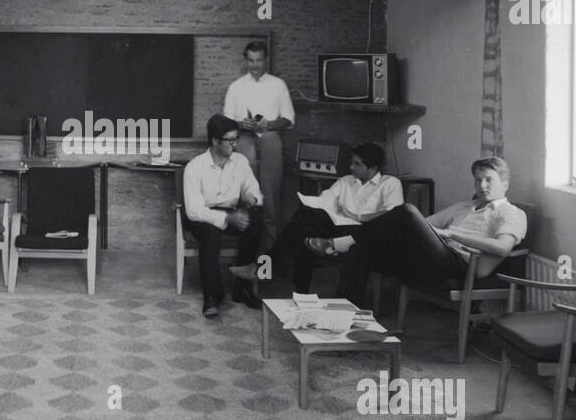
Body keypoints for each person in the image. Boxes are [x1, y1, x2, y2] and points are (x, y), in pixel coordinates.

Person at [233, 157, 525, 307]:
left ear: (505, 183)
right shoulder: (465, 206)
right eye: (478, 180)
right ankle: (344, 317)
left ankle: (341, 242)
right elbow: (426, 224)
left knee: (406, 210)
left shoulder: (511, 213)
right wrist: (424, 231)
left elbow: (501, 248)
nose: (482, 186)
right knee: (364, 250)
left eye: (488, 180)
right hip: (430, 254)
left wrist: (452, 235)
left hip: (457, 264)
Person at [253, 143, 404, 293]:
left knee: (304, 231)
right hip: (339, 228)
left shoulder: (390, 183)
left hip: (367, 234)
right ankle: (300, 293)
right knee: (305, 220)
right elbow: (325, 200)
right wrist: (316, 205)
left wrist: (359, 217)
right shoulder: (345, 181)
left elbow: (392, 214)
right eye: (352, 162)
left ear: (373, 168)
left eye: (357, 164)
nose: (351, 167)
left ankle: (270, 264)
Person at [183, 114, 266, 318]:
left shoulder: (240, 161)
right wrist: (228, 219)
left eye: (236, 139)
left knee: (256, 220)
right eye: (230, 140)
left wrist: (251, 198)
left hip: (231, 210)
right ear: (214, 141)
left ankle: (243, 288)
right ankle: (212, 296)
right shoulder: (195, 167)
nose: (235, 144)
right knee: (210, 236)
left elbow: (254, 191)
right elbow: (194, 211)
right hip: (204, 215)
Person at [223, 40, 294, 248]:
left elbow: (289, 119)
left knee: (271, 195)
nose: (255, 65)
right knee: (246, 194)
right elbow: (226, 122)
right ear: (246, 60)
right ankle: (246, 250)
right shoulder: (236, 87)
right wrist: (239, 123)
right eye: (251, 60)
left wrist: (269, 124)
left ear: (266, 60)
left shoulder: (278, 85)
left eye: (259, 60)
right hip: (244, 139)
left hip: (270, 138)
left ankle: (270, 252)